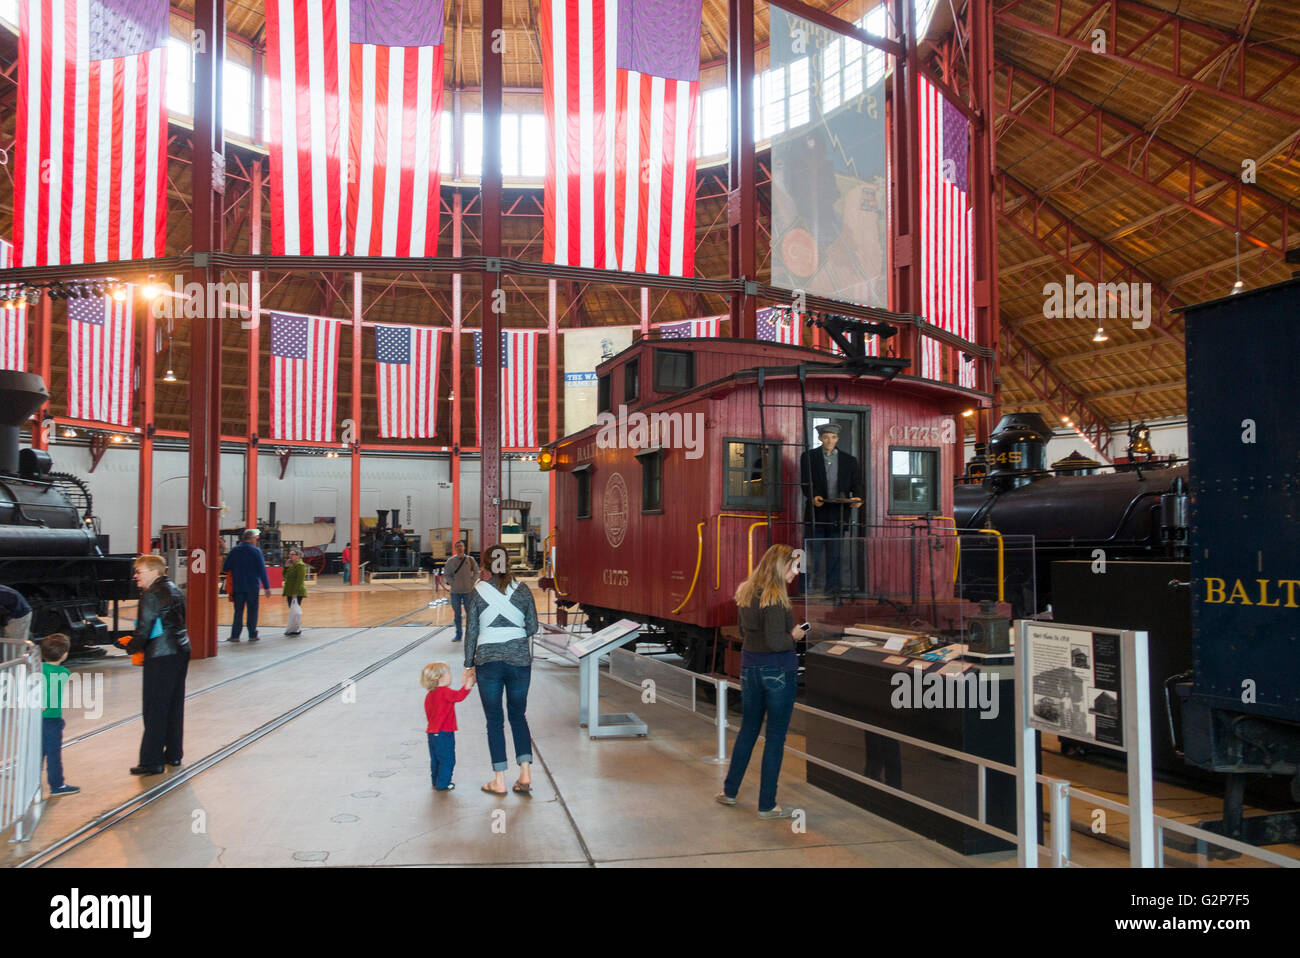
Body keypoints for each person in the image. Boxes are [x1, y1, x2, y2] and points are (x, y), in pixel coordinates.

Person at [716, 544, 804, 818]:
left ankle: (730, 792)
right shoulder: (776, 598)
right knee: (775, 738)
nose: (795, 572)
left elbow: (744, 631)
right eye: (793, 566)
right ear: (781, 567)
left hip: (750, 669)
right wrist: (796, 635)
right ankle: (767, 804)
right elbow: (778, 642)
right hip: (777, 671)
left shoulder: (746, 591)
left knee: (748, 731)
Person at [464, 544, 538, 796]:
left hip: (488, 661)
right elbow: (533, 626)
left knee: (494, 720)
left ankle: (499, 780)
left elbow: (472, 632)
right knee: (518, 715)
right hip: (519, 661)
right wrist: (512, 634)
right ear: (509, 563)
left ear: (484, 565)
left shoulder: (477, 593)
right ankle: (525, 774)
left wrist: (468, 665)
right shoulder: (524, 590)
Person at [125, 554, 190, 775]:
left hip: (161, 654)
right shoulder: (174, 589)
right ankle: (173, 754)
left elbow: (144, 629)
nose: (136, 576)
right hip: (180, 651)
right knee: (174, 704)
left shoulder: (151, 595)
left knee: (155, 707)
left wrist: (130, 646)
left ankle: (151, 761)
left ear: (153, 571)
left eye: (139, 572)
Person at [799, 423, 863, 597]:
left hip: (839, 514)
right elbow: (805, 481)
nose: (829, 440)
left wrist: (857, 497)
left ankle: (832, 589)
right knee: (812, 552)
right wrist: (813, 496)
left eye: (833, 437)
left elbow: (856, 483)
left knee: (835, 554)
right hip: (816, 513)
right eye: (826, 437)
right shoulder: (808, 457)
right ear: (820, 438)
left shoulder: (849, 460)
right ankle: (807, 588)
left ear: (837, 439)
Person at [422, 661, 475, 791]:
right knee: (448, 759)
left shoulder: (429, 695)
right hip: (444, 732)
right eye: (448, 673)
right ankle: (443, 784)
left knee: (435, 759)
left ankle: (436, 780)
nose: (451, 675)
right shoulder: (445, 692)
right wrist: (468, 686)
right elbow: (459, 696)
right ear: (440, 677)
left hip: (432, 733)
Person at [39, 633, 79, 796]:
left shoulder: (38, 668)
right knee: (53, 753)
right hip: (51, 719)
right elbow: (52, 694)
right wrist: (44, 704)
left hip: (36, 719)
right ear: (64, 655)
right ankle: (57, 785)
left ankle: (32, 784)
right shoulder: (63, 672)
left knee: (38, 752)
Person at [222, 529, 271, 643]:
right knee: (252, 611)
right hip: (252, 587)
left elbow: (225, 567)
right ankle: (252, 634)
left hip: (238, 587)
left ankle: (235, 636)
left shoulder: (234, 550)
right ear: (251, 538)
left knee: (238, 612)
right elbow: (262, 570)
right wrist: (267, 587)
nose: (256, 541)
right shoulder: (256, 551)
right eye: (255, 538)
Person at [441, 541, 479, 642]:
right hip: (455, 592)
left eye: (461, 546)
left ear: (464, 547)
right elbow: (447, 574)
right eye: (457, 546)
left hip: (468, 592)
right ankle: (458, 634)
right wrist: (453, 583)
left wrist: (472, 582)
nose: (459, 548)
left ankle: (471, 634)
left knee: (470, 614)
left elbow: (476, 572)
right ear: (455, 548)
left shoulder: (471, 560)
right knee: (457, 614)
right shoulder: (450, 561)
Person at [282, 548, 308, 636]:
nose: (290, 556)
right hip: (289, 591)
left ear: (298, 556)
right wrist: (286, 567)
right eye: (290, 554)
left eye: (292, 554)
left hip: (297, 592)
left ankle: (296, 628)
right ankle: (293, 628)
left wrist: (295, 593)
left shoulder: (301, 566)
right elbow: (285, 576)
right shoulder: (292, 565)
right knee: (292, 610)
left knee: (295, 611)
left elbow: (299, 580)